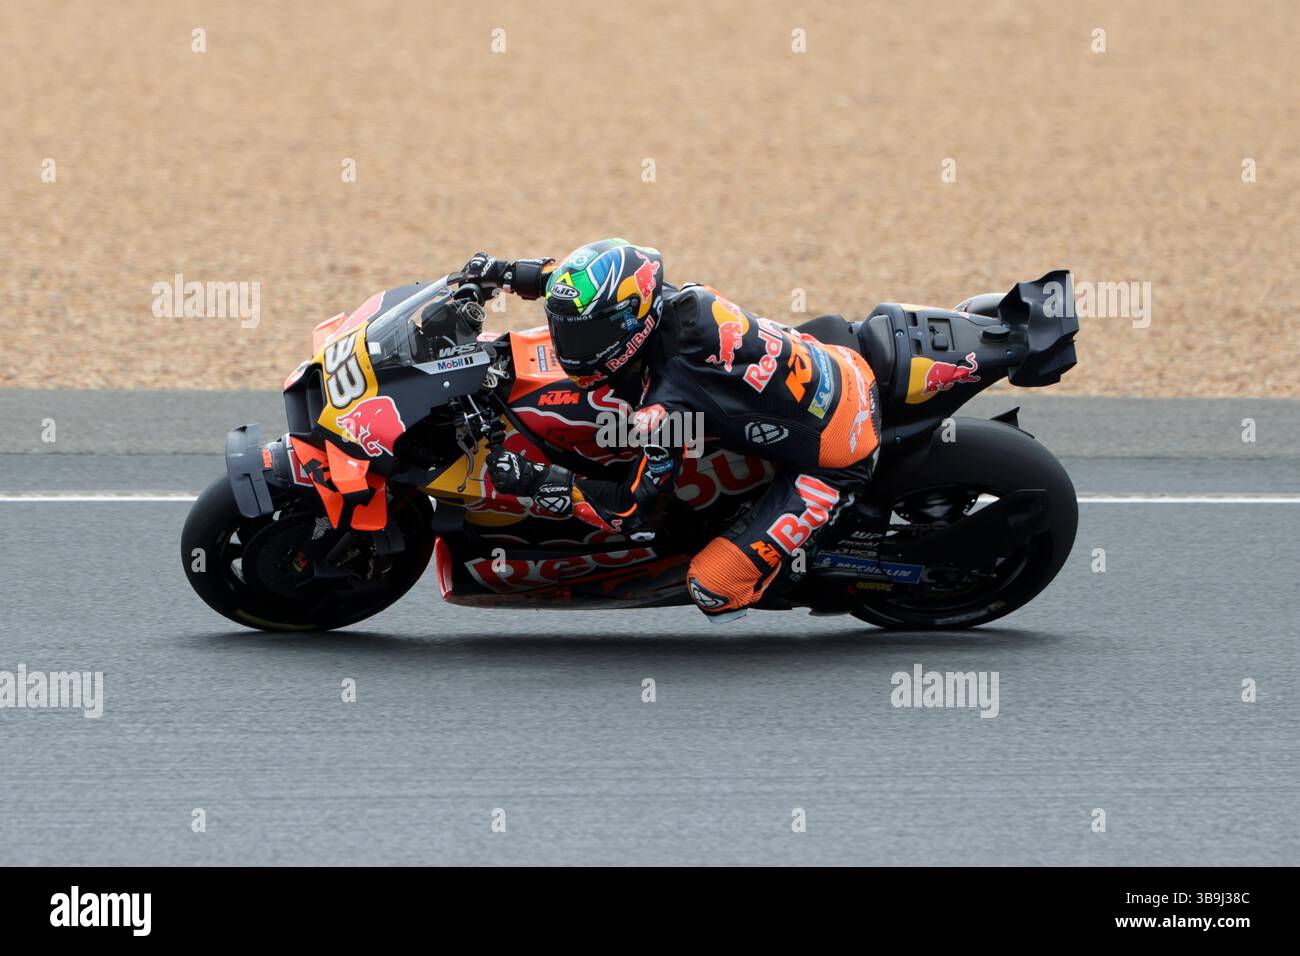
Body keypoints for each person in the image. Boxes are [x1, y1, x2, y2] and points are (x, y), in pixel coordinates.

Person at [461, 238, 881, 622]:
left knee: (712, 588)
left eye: (584, 334)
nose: (568, 344)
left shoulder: (666, 404)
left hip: (838, 449)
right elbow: (571, 288)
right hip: (833, 364)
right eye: (564, 329)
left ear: (628, 326)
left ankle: (802, 557)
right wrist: (503, 272)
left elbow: (635, 512)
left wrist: (539, 481)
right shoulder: (665, 300)